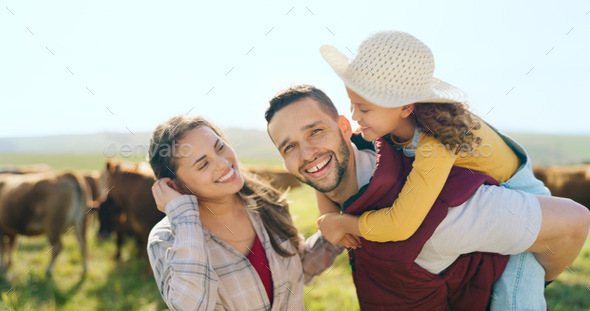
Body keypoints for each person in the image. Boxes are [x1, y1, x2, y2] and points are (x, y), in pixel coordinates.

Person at [265, 85, 590, 310]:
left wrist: (527, 275)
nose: (306, 154)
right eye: (289, 147)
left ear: (344, 127)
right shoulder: (353, 174)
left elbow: (575, 222)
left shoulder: (441, 212)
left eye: (315, 131)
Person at [146, 116, 342, 311]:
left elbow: (298, 270)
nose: (223, 163)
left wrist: (343, 225)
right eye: (203, 164)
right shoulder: (165, 239)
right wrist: (183, 216)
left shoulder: (266, 202)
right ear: (175, 185)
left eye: (219, 148)